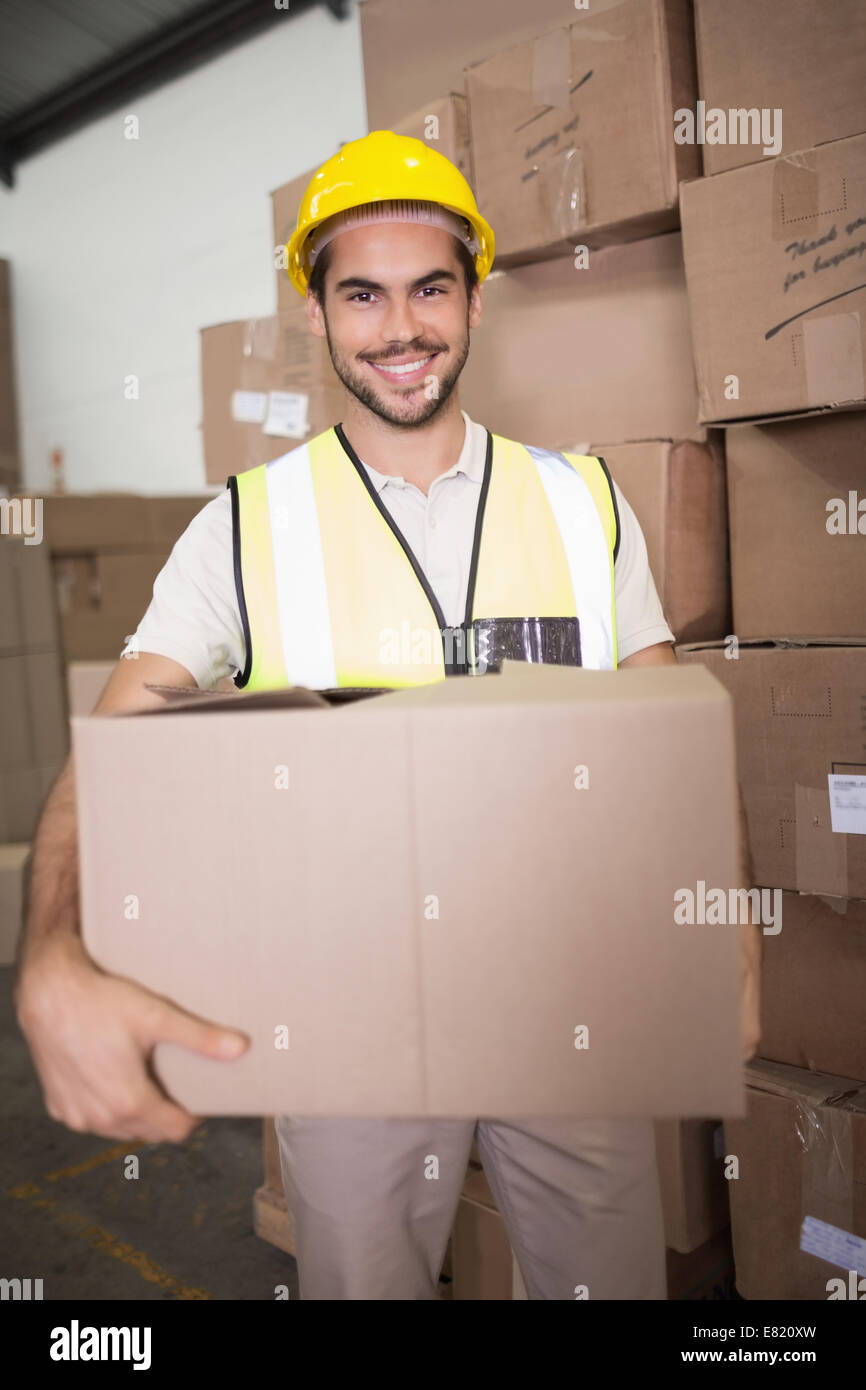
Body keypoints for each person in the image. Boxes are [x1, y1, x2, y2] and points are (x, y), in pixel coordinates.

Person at [15, 131, 760, 1300]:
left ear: (473, 298)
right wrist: (51, 948)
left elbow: (671, 734)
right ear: (314, 311)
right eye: (361, 293)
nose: (400, 329)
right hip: (344, 1024)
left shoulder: (581, 503)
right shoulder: (244, 525)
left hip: (561, 996)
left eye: (430, 288)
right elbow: (114, 749)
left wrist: (727, 920)